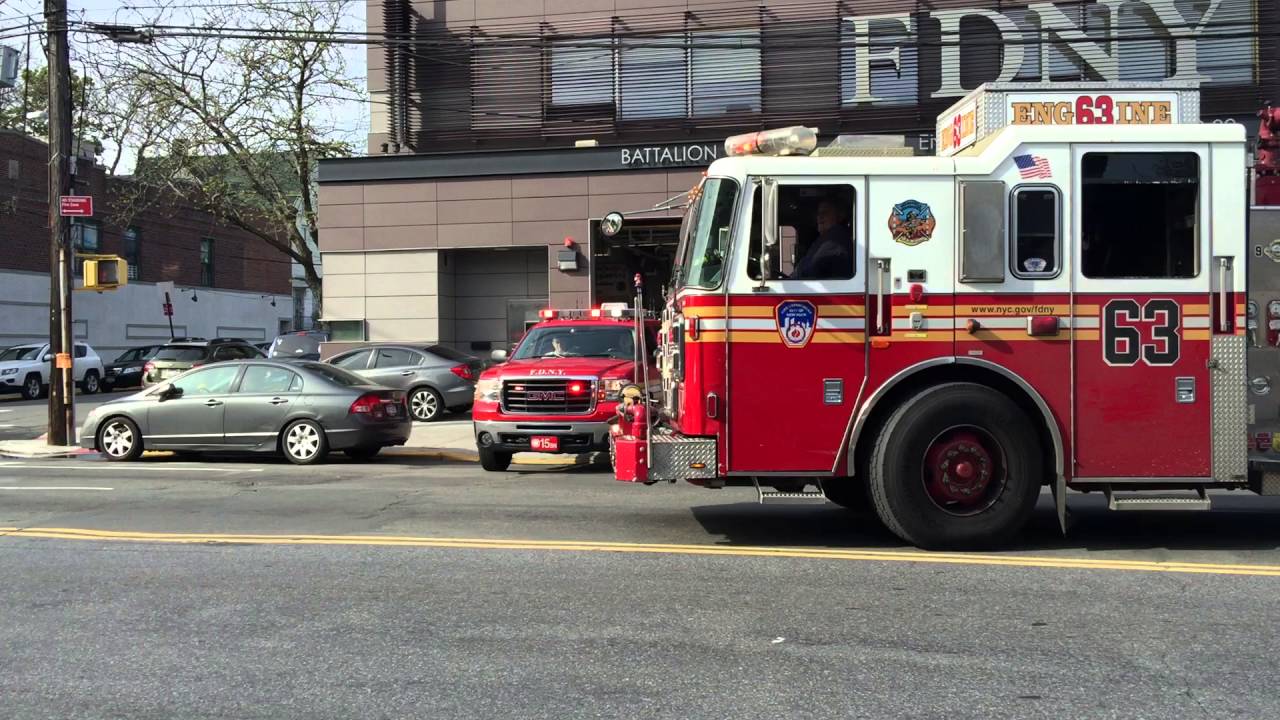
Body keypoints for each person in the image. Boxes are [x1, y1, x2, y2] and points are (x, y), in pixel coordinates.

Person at [791, 197, 853, 280]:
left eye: (825, 212)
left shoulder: (835, 238)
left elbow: (811, 268)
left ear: (840, 216)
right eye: (818, 213)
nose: (820, 216)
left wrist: (796, 274)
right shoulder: (826, 238)